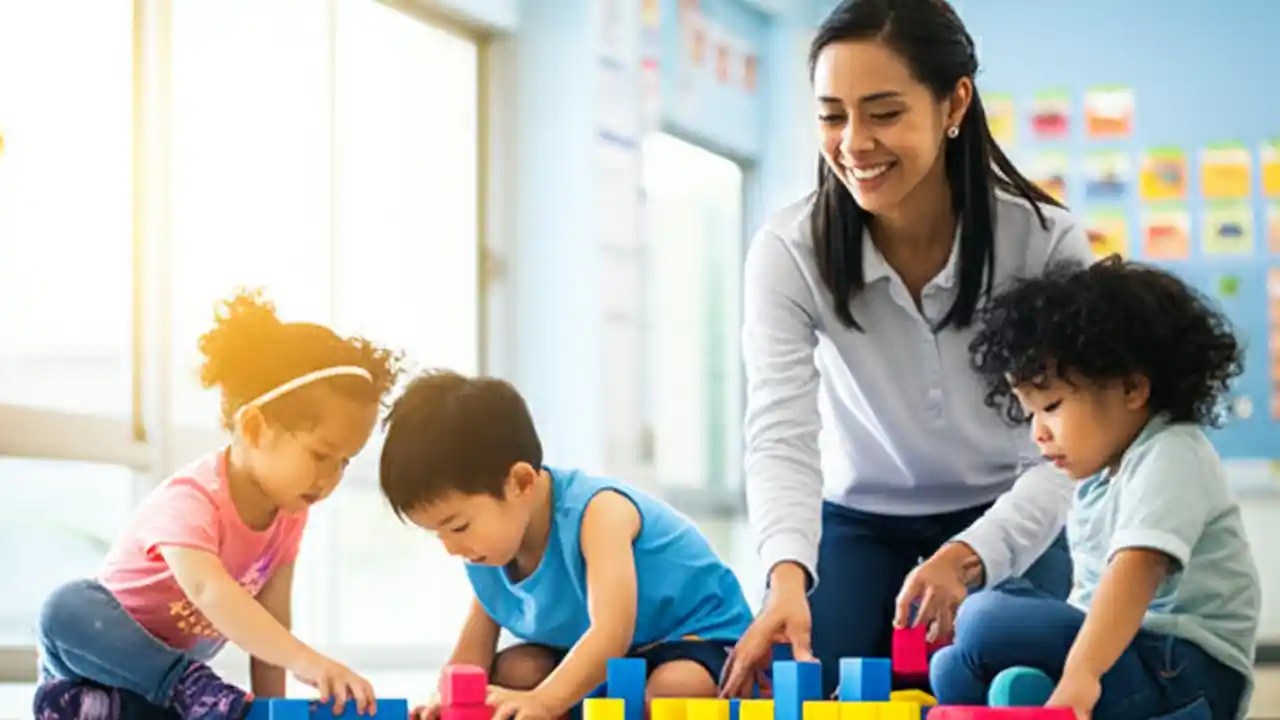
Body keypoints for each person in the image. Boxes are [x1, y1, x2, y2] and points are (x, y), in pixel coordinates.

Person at [720, 0, 1098, 697]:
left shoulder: (1044, 243)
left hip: (1009, 510)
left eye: (884, 112)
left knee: (1007, 682)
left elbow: (1078, 446)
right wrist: (784, 577)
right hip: (857, 521)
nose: (855, 143)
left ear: (954, 101)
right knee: (815, 684)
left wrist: (970, 556)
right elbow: (780, 436)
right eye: (833, 115)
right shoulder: (788, 250)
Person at [33, 289, 403, 720]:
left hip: (154, 697)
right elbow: (210, 591)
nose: (331, 478)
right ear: (255, 426)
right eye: (321, 455)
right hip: (88, 662)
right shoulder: (192, 499)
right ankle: (126, 695)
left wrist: (274, 711)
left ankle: (107, 710)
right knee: (66, 605)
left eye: (344, 462)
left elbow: (273, 622)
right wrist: (308, 661)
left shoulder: (289, 515)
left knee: (179, 704)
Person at [931, 256, 1260, 720]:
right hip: (1129, 658)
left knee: (985, 619)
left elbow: (1135, 572)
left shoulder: (1172, 453)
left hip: (1183, 671)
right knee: (952, 667)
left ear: (1131, 389)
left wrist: (1081, 674)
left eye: (1052, 406)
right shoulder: (1096, 482)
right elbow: (1085, 600)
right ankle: (1023, 699)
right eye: (1031, 415)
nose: (1038, 433)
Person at [378, 371, 753, 720]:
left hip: (694, 639)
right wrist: (445, 700)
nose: (450, 548)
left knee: (674, 688)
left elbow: (611, 633)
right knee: (514, 672)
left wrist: (545, 700)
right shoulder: (490, 548)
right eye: (436, 533)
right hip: (612, 662)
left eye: (457, 526)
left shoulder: (599, 513)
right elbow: (473, 653)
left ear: (522, 482)